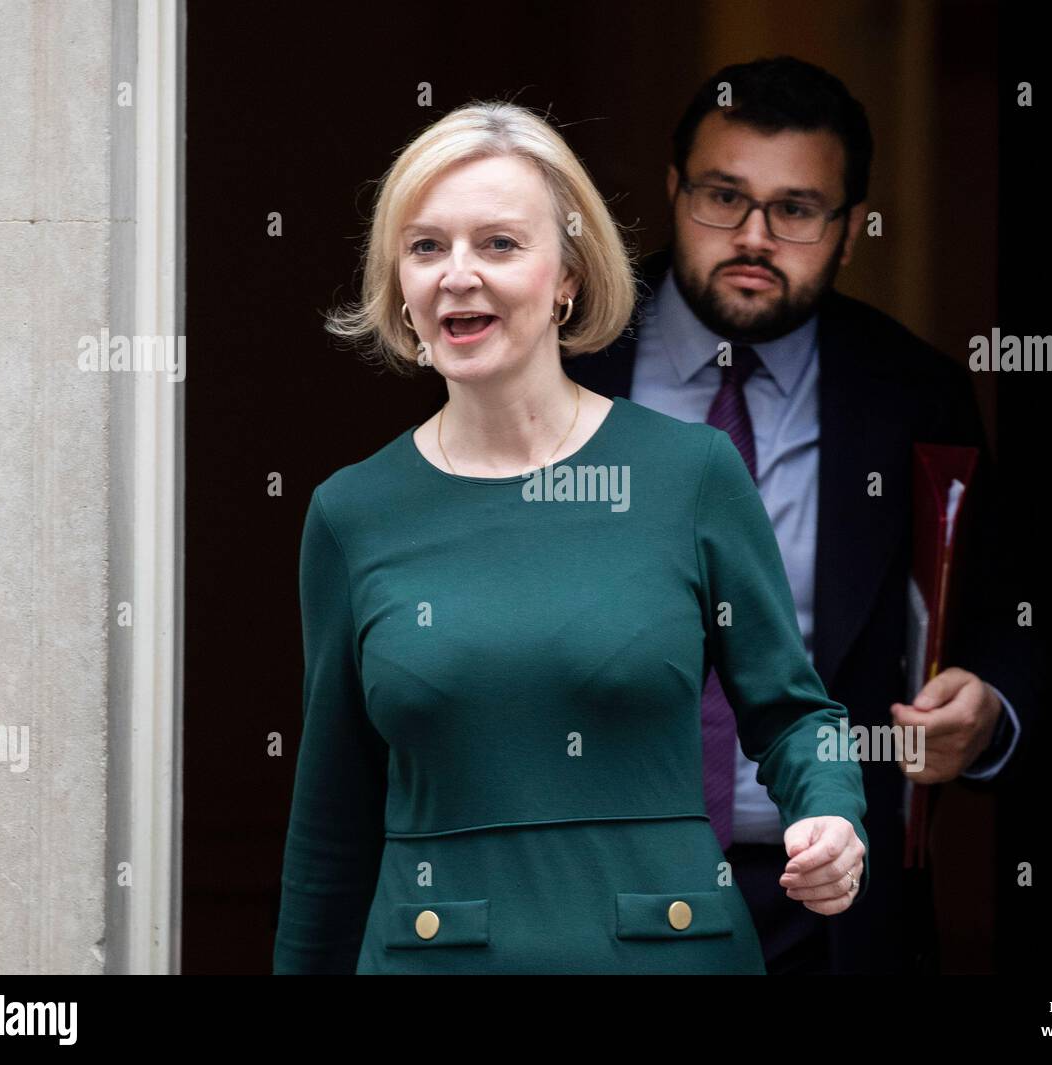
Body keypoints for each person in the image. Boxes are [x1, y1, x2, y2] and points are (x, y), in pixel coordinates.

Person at [272, 100, 869, 975]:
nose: (457, 275)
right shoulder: (352, 512)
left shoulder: (691, 473)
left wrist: (831, 810)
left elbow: (791, 714)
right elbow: (332, 816)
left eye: (500, 244)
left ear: (568, 277)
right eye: (426, 246)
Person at [566, 56, 1042, 974]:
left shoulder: (915, 393)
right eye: (722, 197)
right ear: (673, 191)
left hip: (828, 913)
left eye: (795, 210)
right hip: (581, 888)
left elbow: (1003, 608)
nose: (752, 236)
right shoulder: (564, 359)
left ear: (852, 228)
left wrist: (987, 710)